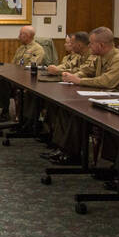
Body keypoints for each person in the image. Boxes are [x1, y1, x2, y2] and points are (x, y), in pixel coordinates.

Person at [50, 27, 119, 175]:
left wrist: (79, 80)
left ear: (101, 45)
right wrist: (73, 76)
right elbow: (87, 71)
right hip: (104, 99)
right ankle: (68, 152)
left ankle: (75, 155)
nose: (89, 47)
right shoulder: (100, 57)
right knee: (71, 110)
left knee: (79, 114)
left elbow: (107, 81)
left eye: (91, 44)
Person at [41, 32, 96, 162]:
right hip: (87, 91)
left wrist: (75, 78)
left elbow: (104, 79)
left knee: (71, 111)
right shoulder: (82, 56)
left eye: (92, 44)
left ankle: (69, 151)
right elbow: (79, 70)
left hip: (100, 95)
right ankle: (61, 147)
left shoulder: (98, 57)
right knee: (60, 106)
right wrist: (68, 74)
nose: (69, 45)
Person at [0, 25, 42, 120]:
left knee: (5, 80)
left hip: (24, 80)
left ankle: (5, 111)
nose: (18, 36)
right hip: (12, 76)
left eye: (21, 34)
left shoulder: (38, 49)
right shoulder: (21, 48)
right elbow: (13, 64)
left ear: (28, 36)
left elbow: (31, 67)